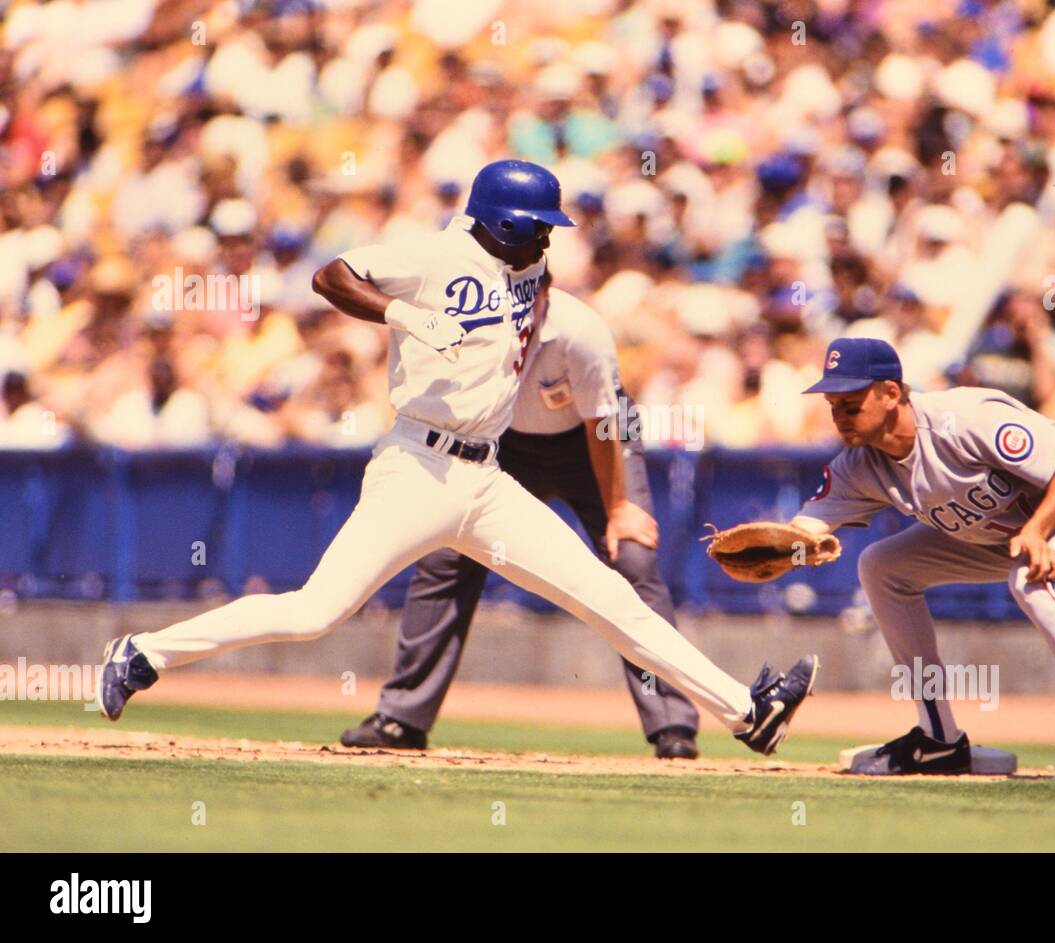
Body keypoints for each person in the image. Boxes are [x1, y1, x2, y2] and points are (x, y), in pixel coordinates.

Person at [96, 160, 818, 757]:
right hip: (416, 468)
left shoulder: (530, 274)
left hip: (486, 480)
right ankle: (144, 652)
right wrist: (400, 312)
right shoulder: (435, 255)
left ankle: (747, 712)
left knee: (609, 597)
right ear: (504, 221)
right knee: (315, 611)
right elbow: (331, 275)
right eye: (539, 226)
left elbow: (577, 363)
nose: (549, 240)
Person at [339, 271, 702, 759]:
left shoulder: (580, 330)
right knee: (444, 558)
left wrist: (618, 508)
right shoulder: (469, 320)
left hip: (595, 438)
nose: (516, 301)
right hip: (500, 443)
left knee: (632, 558)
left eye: (527, 292)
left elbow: (604, 423)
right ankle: (402, 718)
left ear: (546, 292)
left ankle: (671, 724)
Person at [790, 337, 1055, 780]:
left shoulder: (960, 417)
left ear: (890, 392)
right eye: (833, 404)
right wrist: (771, 550)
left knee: (1032, 582)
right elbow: (801, 531)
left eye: (851, 401)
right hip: (1003, 535)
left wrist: (1037, 531)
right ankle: (939, 738)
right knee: (882, 567)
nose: (840, 415)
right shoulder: (857, 466)